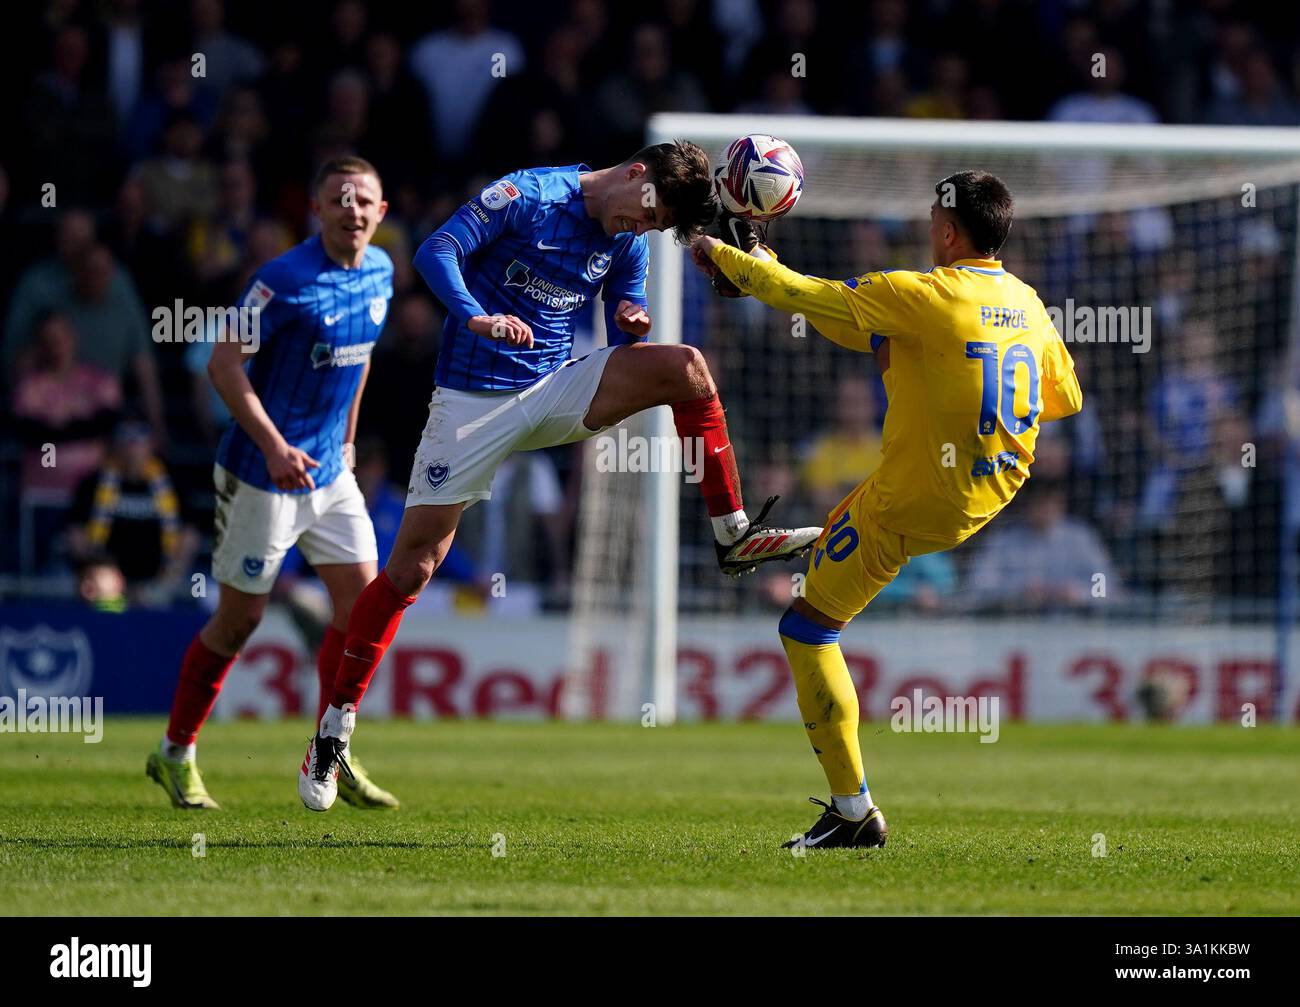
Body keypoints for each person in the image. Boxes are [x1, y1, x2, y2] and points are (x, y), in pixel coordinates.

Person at [298, 141, 821, 811]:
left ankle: (733, 532)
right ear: (637, 172)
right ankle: (333, 729)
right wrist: (476, 315)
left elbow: (626, 312)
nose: (641, 230)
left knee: (687, 366)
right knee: (412, 569)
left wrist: (632, 321)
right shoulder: (529, 195)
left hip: (554, 390)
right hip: (473, 401)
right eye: (647, 215)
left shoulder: (629, 235)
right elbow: (435, 251)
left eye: (654, 230)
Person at [690, 170, 1084, 848]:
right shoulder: (1027, 302)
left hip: (912, 498)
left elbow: (800, 295)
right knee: (883, 336)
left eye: (933, 216)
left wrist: (722, 254)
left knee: (806, 628)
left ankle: (852, 811)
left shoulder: (925, 292)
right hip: (992, 491)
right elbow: (1064, 398)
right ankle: (796, 540)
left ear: (950, 230)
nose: (927, 226)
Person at [147, 155, 398, 812]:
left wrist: (346, 437)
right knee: (240, 622)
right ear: (316, 210)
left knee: (362, 606)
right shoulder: (281, 280)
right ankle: (175, 752)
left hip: (328, 471)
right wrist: (277, 446)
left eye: (364, 199)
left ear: (382, 212)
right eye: (339, 198)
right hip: (262, 473)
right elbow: (224, 364)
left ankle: (330, 751)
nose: (353, 209)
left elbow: (361, 358)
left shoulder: (381, 271)